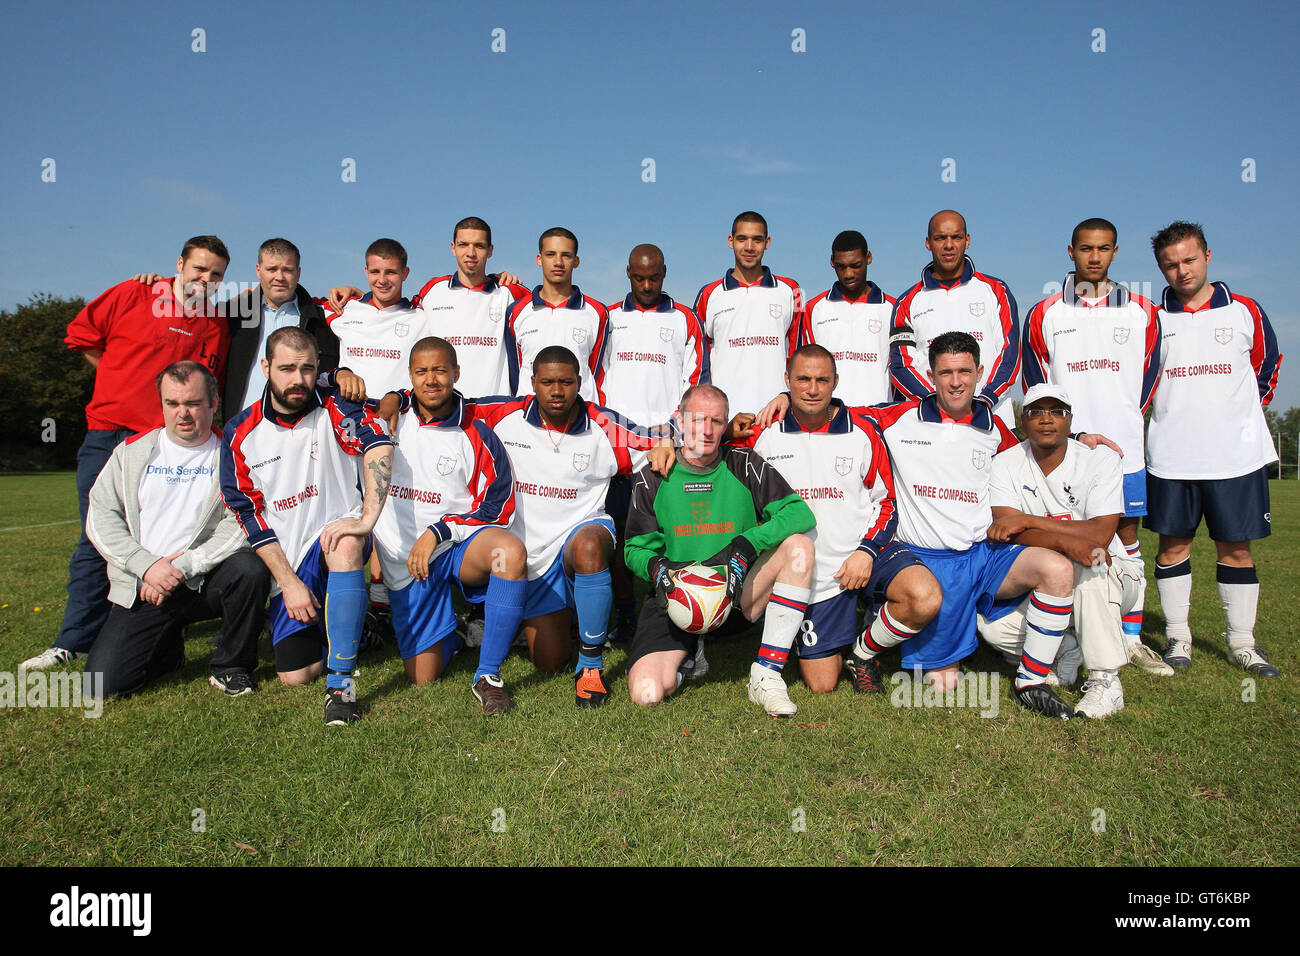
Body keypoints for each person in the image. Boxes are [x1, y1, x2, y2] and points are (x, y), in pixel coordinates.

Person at [758, 332, 1081, 718]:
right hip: (931, 559)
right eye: (946, 372)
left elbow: (1037, 446)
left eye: (964, 371)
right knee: (939, 685)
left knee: (1057, 570)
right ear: (931, 375)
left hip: (984, 553)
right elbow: (826, 410)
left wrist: (1078, 438)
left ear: (980, 373)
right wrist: (782, 398)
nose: (956, 381)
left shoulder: (994, 427)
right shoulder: (895, 418)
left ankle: (1032, 681)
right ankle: (878, 640)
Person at [23, 236, 233, 674]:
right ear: (179, 263)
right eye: (198, 269)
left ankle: (156, 623)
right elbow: (83, 335)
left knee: (176, 535)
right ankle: (72, 640)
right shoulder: (133, 293)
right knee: (96, 537)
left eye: (216, 275)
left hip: (167, 444)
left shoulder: (215, 322)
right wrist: (120, 376)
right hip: (111, 434)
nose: (205, 280)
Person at [458, 346, 674, 707]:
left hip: (579, 536)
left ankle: (590, 667)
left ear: (580, 382)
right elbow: (442, 399)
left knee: (591, 546)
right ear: (533, 383)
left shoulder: (603, 425)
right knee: (549, 660)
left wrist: (666, 442)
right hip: (526, 554)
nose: (556, 391)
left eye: (565, 382)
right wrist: (395, 399)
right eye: (547, 382)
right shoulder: (503, 415)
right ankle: (570, 616)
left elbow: (656, 439)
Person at [731, 345, 941, 694]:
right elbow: (706, 442)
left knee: (924, 596)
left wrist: (867, 551)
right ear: (787, 382)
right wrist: (679, 438)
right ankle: (840, 632)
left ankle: (863, 652)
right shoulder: (761, 434)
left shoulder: (862, 430)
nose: (812, 389)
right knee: (822, 684)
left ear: (835, 382)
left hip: (864, 553)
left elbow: (887, 502)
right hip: (810, 574)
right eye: (803, 379)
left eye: (821, 380)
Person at [220, 328, 394, 725]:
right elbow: (249, 516)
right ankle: (354, 627)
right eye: (286, 369)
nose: (297, 379)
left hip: (330, 538)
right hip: (290, 560)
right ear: (266, 368)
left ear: (318, 370)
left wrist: (365, 520)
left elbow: (378, 444)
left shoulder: (335, 406)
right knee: (296, 675)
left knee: (346, 542)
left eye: (306, 369)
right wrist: (289, 582)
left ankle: (342, 686)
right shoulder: (240, 433)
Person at [1021, 218, 1170, 676]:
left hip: (1123, 450)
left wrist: (1121, 422)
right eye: (1086, 248)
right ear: (1071, 252)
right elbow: (1035, 383)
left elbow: (1150, 377)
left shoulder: (1142, 311)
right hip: (1063, 451)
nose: (1094, 257)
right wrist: (1074, 430)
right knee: (1064, 539)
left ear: (1115, 252)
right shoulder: (1045, 312)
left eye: (1103, 249)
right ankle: (1070, 637)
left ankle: (1131, 638)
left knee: (1126, 541)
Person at [623, 383, 817, 717]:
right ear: (680, 423)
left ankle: (767, 674)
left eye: (717, 421)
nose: (708, 430)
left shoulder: (744, 464)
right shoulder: (653, 476)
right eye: (698, 420)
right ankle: (689, 656)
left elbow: (799, 513)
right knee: (646, 692)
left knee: (799, 546)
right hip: (675, 599)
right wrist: (659, 570)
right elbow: (634, 549)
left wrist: (745, 544)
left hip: (736, 594)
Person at [83, 361, 269, 697]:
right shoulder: (131, 452)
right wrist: (147, 566)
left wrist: (181, 567)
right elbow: (101, 516)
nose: (183, 413)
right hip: (147, 584)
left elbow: (239, 524)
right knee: (101, 686)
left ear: (213, 404)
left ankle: (232, 667)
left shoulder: (233, 454)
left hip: (203, 578)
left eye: (193, 404)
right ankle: (168, 649)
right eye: (172, 404)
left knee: (249, 568)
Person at [1146, 222, 1282, 676]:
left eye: (1189, 260)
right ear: (1160, 268)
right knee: (1172, 548)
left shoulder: (1245, 310)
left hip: (1235, 457)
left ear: (1207, 256)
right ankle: (1178, 640)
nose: (1181, 271)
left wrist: (1236, 414)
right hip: (1171, 456)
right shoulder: (1152, 319)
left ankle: (1243, 644)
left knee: (1237, 550)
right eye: (1170, 264)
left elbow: (1268, 365)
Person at [373, 337, 528, 714]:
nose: (431, 380)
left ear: (456, 373)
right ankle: (456, 633)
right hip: (404, 561)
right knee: (423, 676)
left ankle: (488, 676)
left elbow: (498, 505)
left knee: (509, 552)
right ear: (409, 375)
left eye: (440, 370)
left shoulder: (476, 430)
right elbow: (329, 393)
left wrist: (440, 531)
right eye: (422, 371)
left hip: (455, 547)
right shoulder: (385, 421)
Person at [980, 384, 1141, 717]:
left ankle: (1106, 681)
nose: (1046, 419)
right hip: (1053, 574)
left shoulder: (1100, 459)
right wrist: (1065, 541)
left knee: (1090, 563)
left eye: (1057, 411)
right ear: (1023, 420)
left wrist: (1028, 521)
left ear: (1070, 420)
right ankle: (1069, 649)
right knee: (991, 627)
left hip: (1115, 574)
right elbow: (1007, 530)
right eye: (1036, 411)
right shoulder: (1007, 462)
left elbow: (1100, 534)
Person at [599, 243, 708, 641]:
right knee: (624, 533)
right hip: (619, 447)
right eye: (639, 277)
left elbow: (693, 386)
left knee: (677, 532)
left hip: (669, 447)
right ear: (628, 273)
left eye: (655, 277)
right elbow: (597, 384)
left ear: (665, 273)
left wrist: (669, 437)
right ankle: (625, 616)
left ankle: (686, 613)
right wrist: (621, 439)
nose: (647, 285)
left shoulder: (685, 320)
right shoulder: (608, 319)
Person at [329, 217, 528, 398]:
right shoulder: (432, 291)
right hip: (443, 408)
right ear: (453, 247)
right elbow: (393, 305)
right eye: (463, 244)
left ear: (490, 250)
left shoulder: (509, 292)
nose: (471, 252)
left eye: (479, 246)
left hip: (495, 408)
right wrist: (360, 295)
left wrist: (501, 278)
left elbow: (546, 303)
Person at [888, 210, 1020, 426]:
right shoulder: (907, 303)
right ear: (928, 243)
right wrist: (936, 405)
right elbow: (901, 365)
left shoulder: (997, 291)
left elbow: (1009, 357)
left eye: (956, 237)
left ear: (967, 241)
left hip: (992, 417)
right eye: (940, 238)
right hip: (932, 423)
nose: (948, 245)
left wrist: (984, 401)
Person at [693, 211, 802, 415]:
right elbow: (699, 365)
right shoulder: (709, 294)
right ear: (730, 241)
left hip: (777, 415)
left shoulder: (790, 290)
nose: (749, 247)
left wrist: (788, 396)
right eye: (742, 239)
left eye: (757, 240)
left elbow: (798, 355)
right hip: (725, 419)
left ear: (767, 242)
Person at [507, 228, 610, 403]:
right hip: (529, 417)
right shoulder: (516, 311)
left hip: (580, 416)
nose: (558, 262)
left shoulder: (597, 312)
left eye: (566, 255)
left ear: (576, 261)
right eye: (550, 254)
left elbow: (595, 371)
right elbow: (514, 372)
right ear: (539, 259)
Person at [795, 230, 896, 406]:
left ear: (868, 258)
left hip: (878, 416)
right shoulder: (814, 309)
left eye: (855, 265)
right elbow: (803, 367)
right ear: (832, 262)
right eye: (841, 266)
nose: (848, 274)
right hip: (828, 416)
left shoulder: (893, 308)